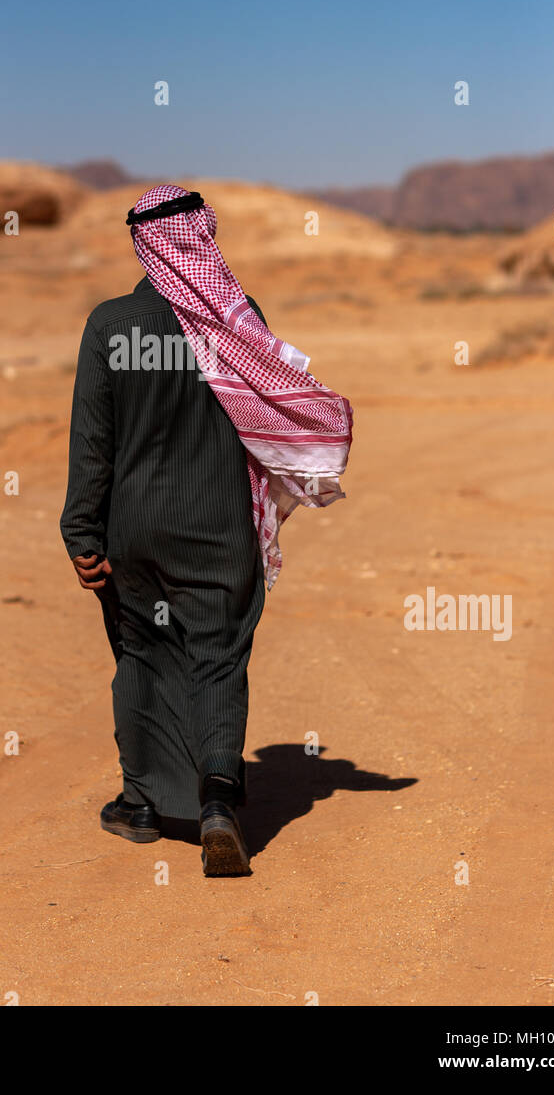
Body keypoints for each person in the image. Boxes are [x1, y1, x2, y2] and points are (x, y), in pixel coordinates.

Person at [60, 185, 352, 876]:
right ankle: (218, 798)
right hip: (219, 524)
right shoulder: (237, 322)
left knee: (142, 652)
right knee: (216, 655)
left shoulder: (111, 325)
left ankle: (140, 805)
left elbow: (91, 445)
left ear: (142, 243)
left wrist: (81, 534)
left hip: (133, 526)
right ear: (204, 237)